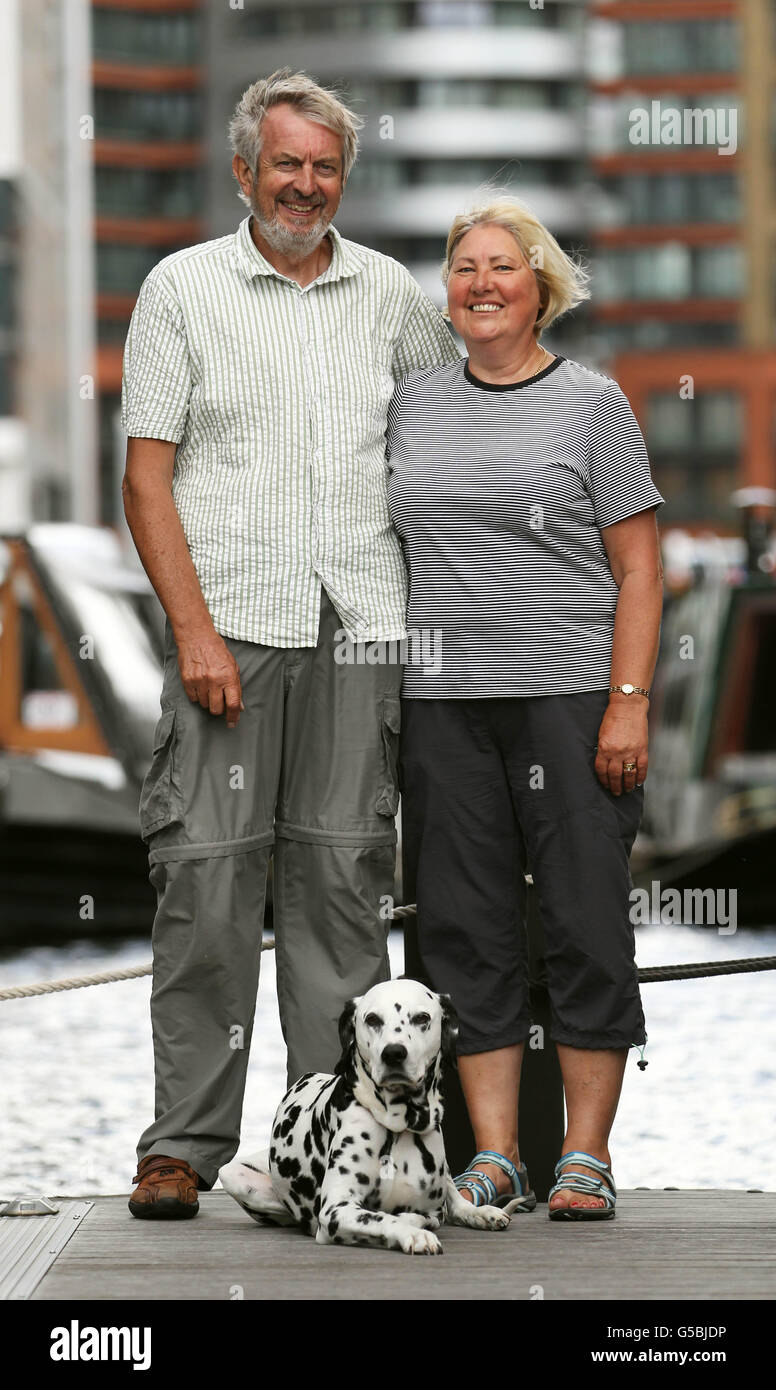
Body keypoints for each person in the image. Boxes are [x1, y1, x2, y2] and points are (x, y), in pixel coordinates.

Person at [121, 69, 459, 1220]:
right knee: (206, 889)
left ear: (342, 177)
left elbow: (457, 432)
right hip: (230, 632)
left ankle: (320, 1155)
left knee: (342, 896)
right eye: (285, 164)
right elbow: (146, 478)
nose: (304, 184)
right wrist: (193, 631)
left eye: (323, 167)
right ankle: (181, 1146)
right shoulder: (180, 289)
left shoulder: (392, 297)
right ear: (243, 171)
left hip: (362, 630)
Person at [387, 199, 664, 1220]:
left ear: (539, 285)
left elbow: (640, 570)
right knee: (462, 928)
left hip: (570, 696)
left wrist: (626, 704)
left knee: (584, 919)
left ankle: (584, 1154)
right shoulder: (412, 403)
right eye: (462, 268)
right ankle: (496, 1155)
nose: (480, 283)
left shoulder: (590, 404)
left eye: (501, 266)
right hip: (443, 702)